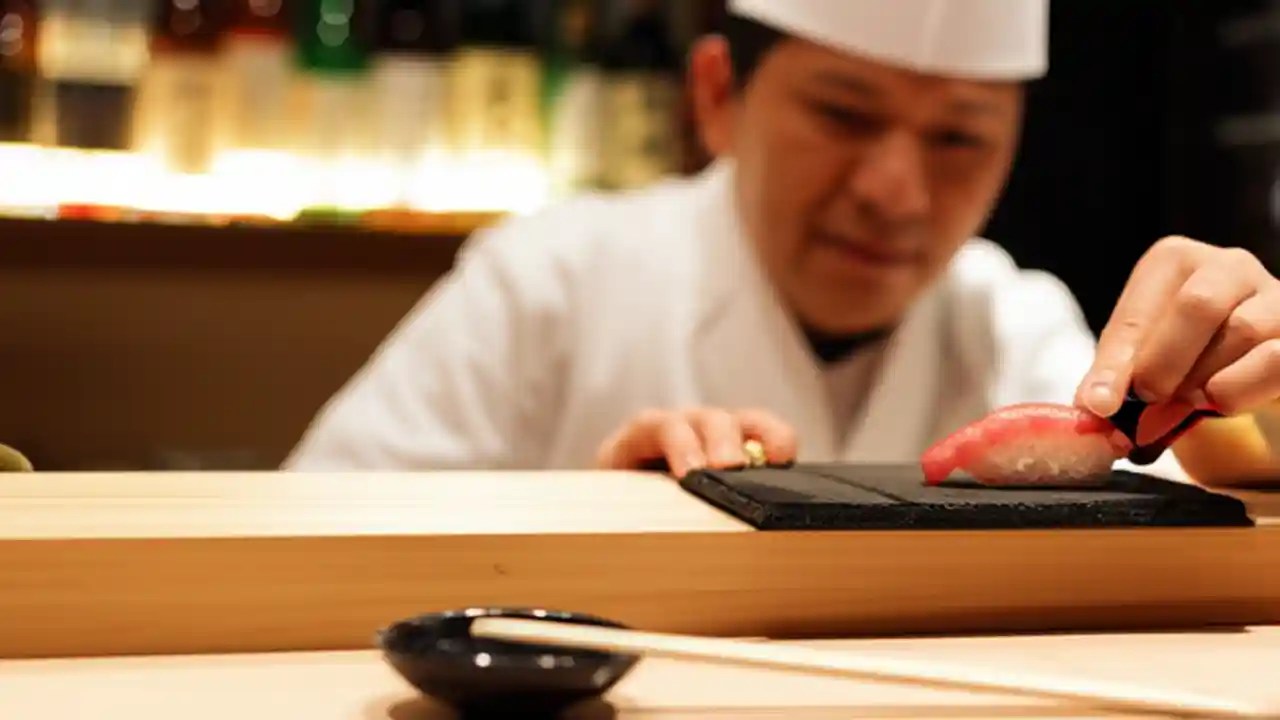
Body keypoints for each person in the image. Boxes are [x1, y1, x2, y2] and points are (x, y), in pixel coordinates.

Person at [284, 0, 1280, 484]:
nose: (895, 192)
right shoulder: (546, 278)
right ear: (717, 98)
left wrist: (1245, 391)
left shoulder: (1009, 318)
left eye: (957, 138)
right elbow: (305, 545)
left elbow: (1196, 486)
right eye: (843, 115)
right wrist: (585, 527)